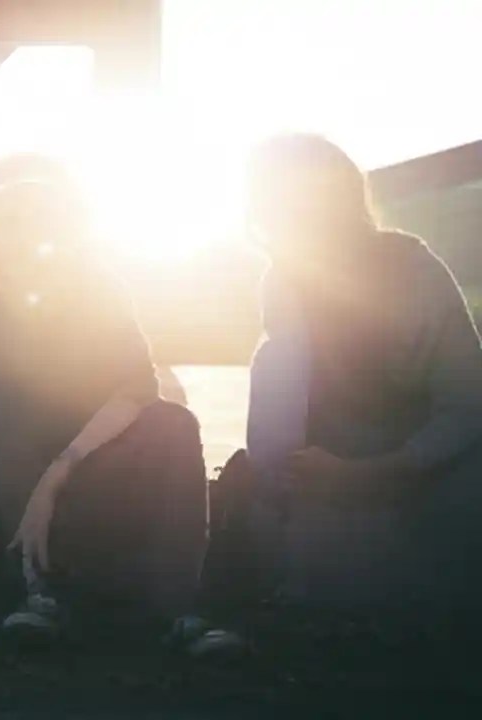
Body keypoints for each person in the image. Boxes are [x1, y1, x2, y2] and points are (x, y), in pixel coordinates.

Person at [0, 157, 209, 641]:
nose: (25, 233)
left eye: (41, 219)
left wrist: (60, 471)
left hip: (89, 440)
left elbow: (136, 386)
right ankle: (41, 592)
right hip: (0, 436)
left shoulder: (97, 283)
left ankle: (177, 607)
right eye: (11, 220)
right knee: (12, 412)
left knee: (176, 424)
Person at [196, 135, 482, 637]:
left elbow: (468, 408)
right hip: (322, 482)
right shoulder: (283, 281)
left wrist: (379, 471)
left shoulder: (415, 272)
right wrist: (301, 474)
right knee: (278, 360)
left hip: (422, 475)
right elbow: (280, 412)